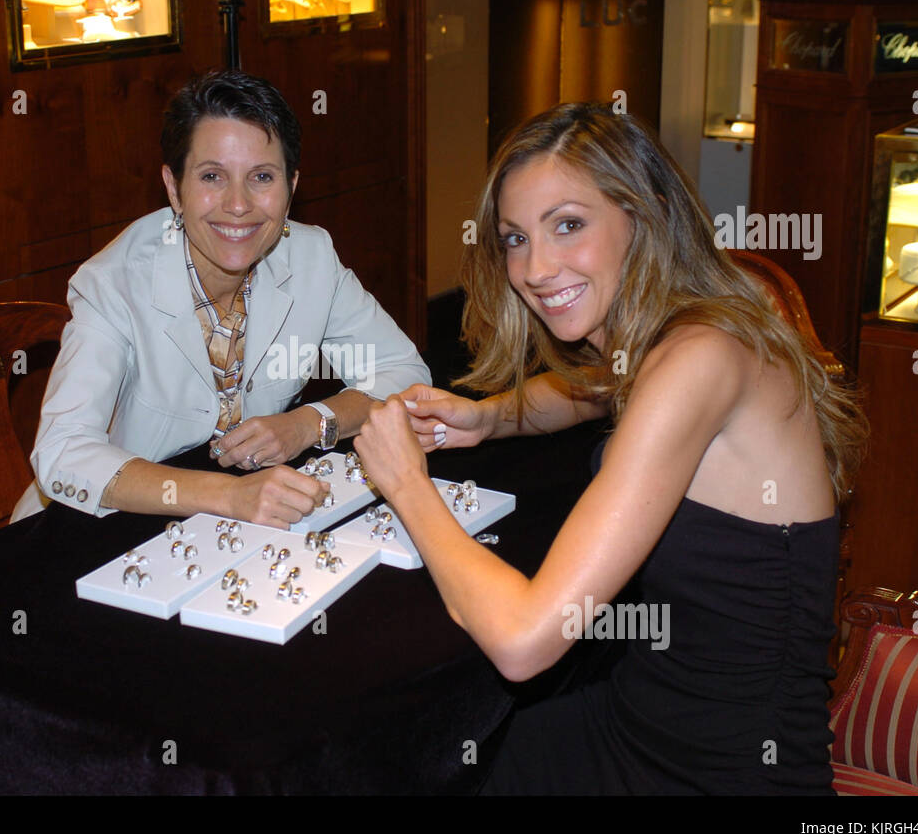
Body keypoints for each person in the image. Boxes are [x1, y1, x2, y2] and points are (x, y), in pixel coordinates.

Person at [353, 102, 867, 794]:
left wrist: (406, 484)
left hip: (725, 773)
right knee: (440, 755)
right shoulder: (677, 329)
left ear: (644, 214)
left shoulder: (700, 356)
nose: (535, 268)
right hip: (642, 719)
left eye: (569, 225)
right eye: (514, 238)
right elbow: (589, 389)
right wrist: (485, 418)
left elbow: (525, 640)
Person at [11, 70, 429, 528]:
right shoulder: (114, 284)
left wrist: (309, 423)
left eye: (262, 177)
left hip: (239, 524)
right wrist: (229, 495)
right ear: (174, 188)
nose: (237, 204)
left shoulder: (311, 257)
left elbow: (403, 373)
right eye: (212, 176)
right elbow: (62, 454)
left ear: (291, 187)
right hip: (99, 528)